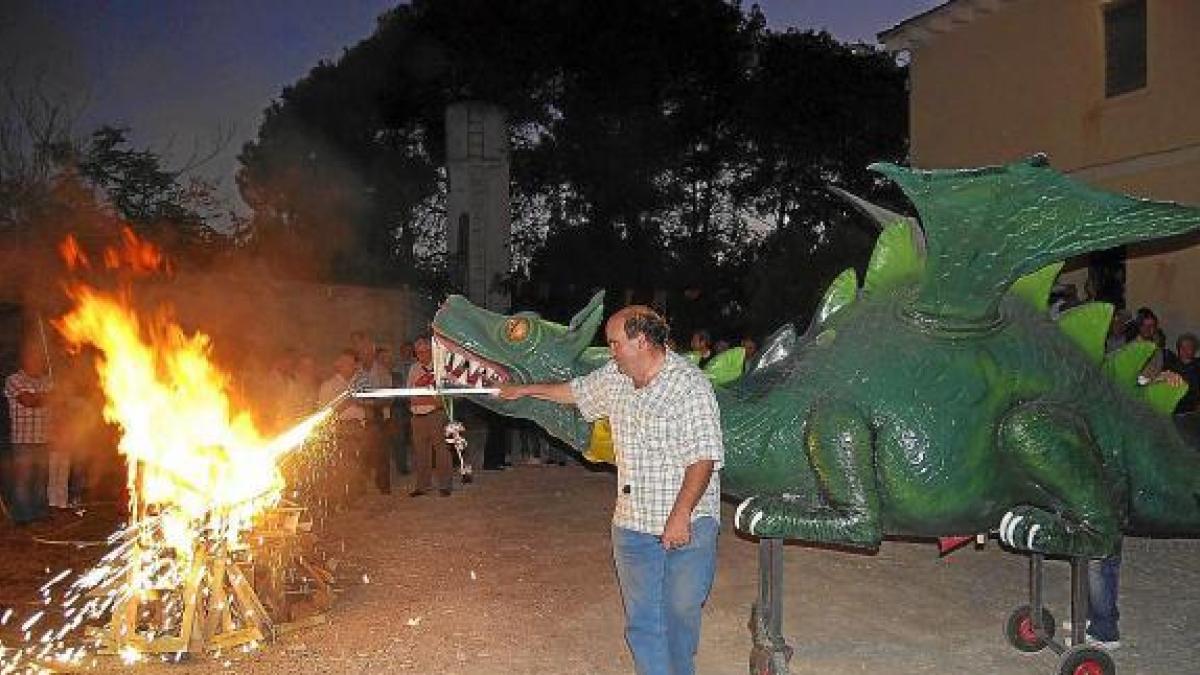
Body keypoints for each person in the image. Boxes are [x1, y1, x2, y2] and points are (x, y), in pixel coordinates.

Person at [499, 305, 724, 675]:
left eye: (615, 343)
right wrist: (525, 390)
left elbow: (703, 457)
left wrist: (681, 514)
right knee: (644, 620)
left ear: (641, 340)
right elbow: (573, 392)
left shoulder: (689, 386)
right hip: (633, 524)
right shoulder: (615, 378)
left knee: (680, 610)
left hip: (687, 521)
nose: (611, 351)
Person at [4, 342, 53, 525]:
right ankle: (23, 517)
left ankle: (40, 513)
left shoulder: (47, 380)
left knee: (41, 479)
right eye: (32, 358)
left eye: (38, 358)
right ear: (24, 360)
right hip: (23, 440)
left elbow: (58, 401)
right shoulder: (14, 380)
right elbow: (28, 401)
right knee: (23, 481)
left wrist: (49, 396)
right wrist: (49, 396)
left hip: (44, 437)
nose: (36, 361)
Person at [318, 349, 368, 506]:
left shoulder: (358, 383)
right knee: (341, 465)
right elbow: (325, 412)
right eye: (347, 363)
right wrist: (348, 401)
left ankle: (352, 496)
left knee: (357, 463)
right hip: (340, 428)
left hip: (358, 426)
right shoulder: (329, 385)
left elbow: (369, 404)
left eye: (352, 363)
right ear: (338, 365)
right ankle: (338, 498)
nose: (351, 366)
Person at [407, 336, 452, 497]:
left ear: (431, 352)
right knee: (420, 453)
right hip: (417, 415)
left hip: (435, 415)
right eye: (419, 352)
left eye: (425, 351)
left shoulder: (440, 369)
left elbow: (444, 396)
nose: (422, 355)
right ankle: (422, 485)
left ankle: (445, 485)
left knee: (441, 451)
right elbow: (410, 392)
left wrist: (430, 399)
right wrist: (423, 398)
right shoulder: (413, 369)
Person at [1165, 332, 1200, 414]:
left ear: (1195, 349)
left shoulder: (1198, 365)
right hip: (1174, 409)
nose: (1184, 350)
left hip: (1194, 409)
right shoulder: (1170, 365)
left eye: (1188, 347)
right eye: (1182, 346)